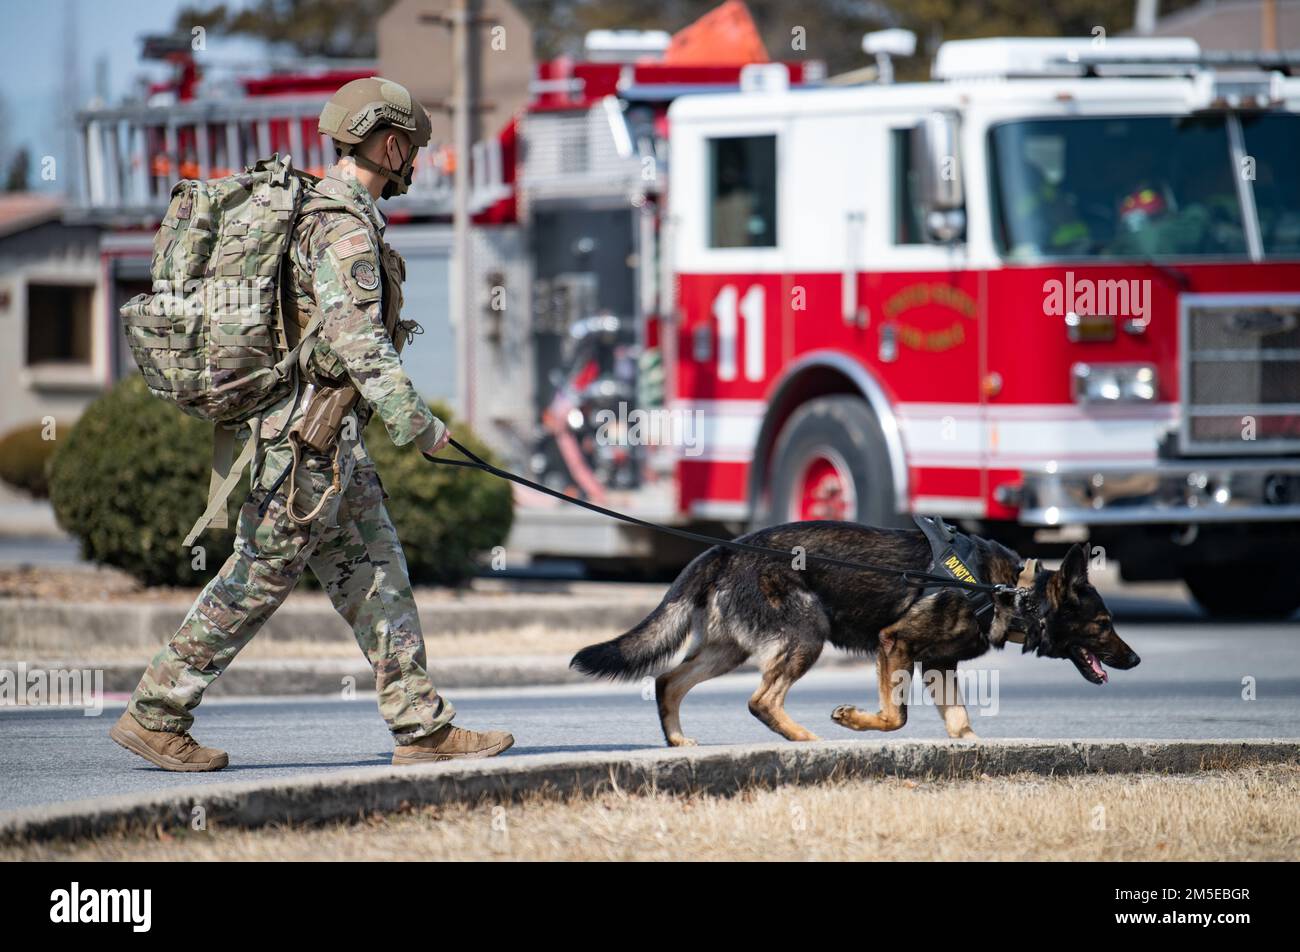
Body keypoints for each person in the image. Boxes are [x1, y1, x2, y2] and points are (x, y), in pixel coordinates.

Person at [110, 77, 515, 771]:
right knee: (255, 579)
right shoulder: (342, 226)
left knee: (378, 574)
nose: (413, 161)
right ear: (389, 145)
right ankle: (156, 712)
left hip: (329, 443)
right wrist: (417, 424)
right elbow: (359, 341)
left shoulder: (329, 214)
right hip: (306, 448)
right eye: (411, 147)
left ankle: (421, 728)